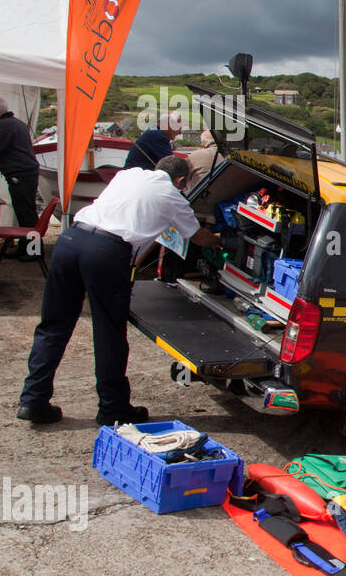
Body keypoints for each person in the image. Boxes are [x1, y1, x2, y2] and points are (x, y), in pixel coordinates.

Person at [17, 156, 222, 426]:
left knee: (53, 325)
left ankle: (33, 400)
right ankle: (113, 408)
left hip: (70, 239)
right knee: (109, 333)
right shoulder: (173, 196)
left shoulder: (130, 174)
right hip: (106, 252)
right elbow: (197, 237)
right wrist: (221, 239)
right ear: (182, 181)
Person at [0, 96, 41, 230]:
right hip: (26, 173)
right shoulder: (15, 123)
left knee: (26, 214)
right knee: (26, 212)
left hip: (20, 175)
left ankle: (32, 250)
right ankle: (28, 247)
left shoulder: (4, 126)